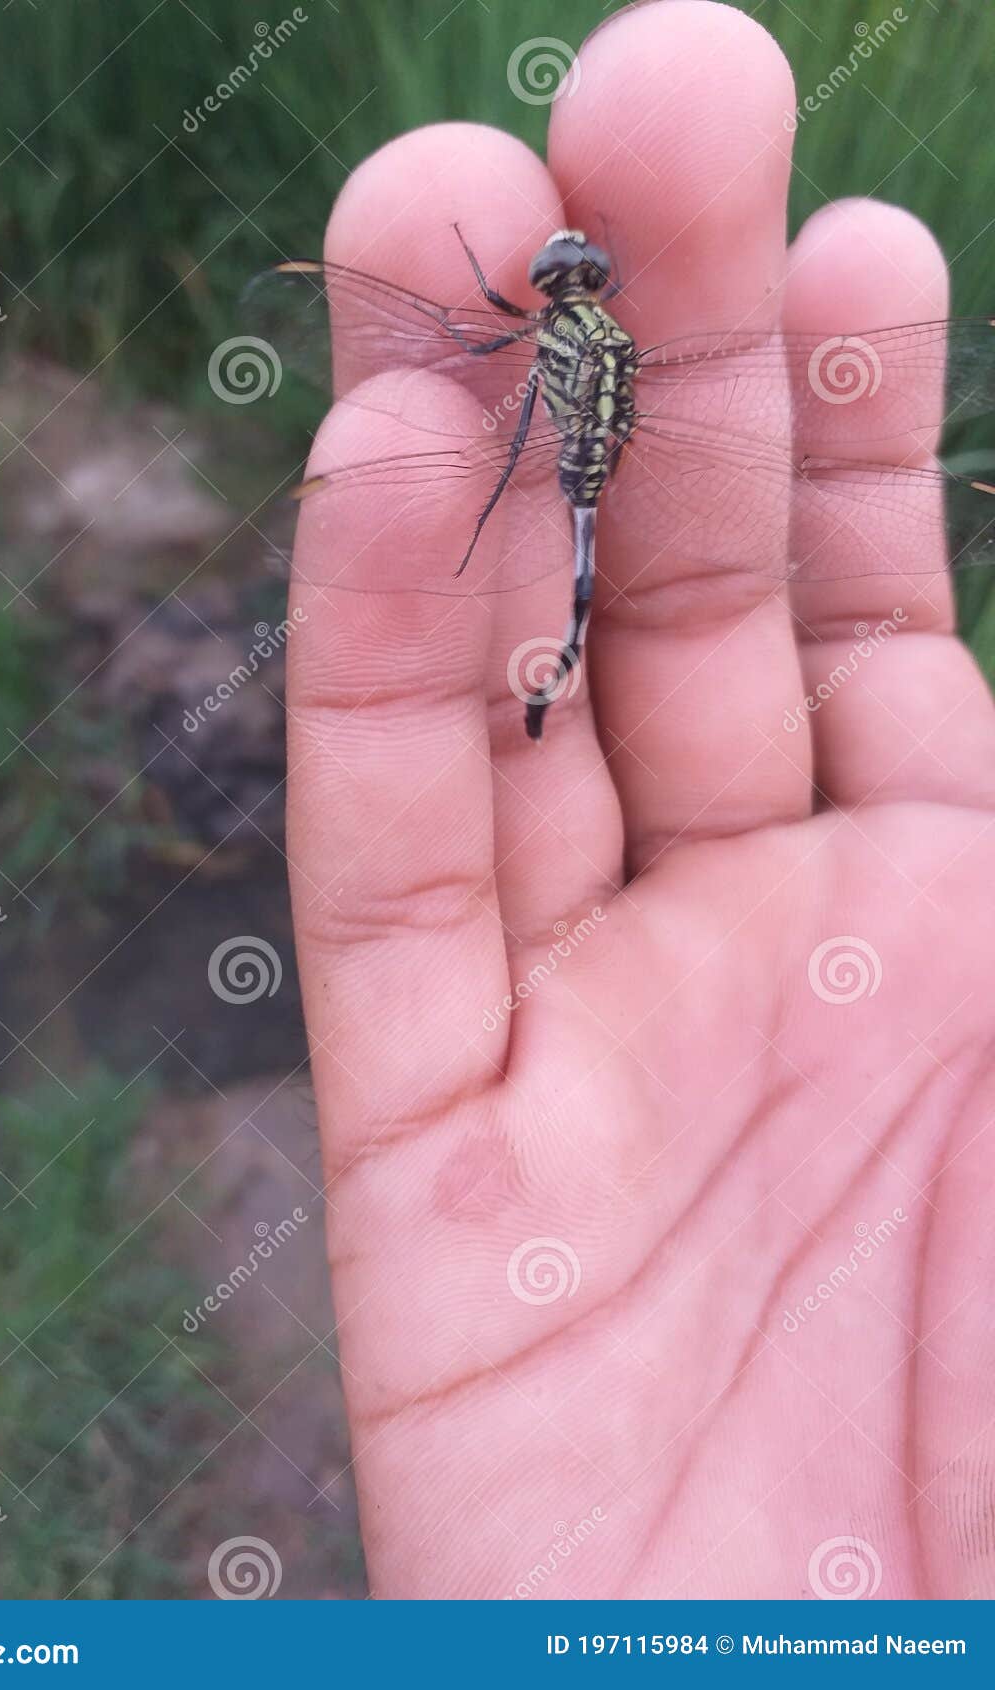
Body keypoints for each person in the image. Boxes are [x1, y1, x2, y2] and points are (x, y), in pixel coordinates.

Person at [285, 1, 995, 1599]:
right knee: (552, 546)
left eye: (567, 285)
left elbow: (486, 350)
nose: (567, 295)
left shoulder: (549, 345)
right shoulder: (609, 350)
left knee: (532, 537)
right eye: (563, 286)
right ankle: (547, 672)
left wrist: (487, 334)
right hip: (604, 485)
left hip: (584, 494)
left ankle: (544, 679)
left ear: (570, 297)